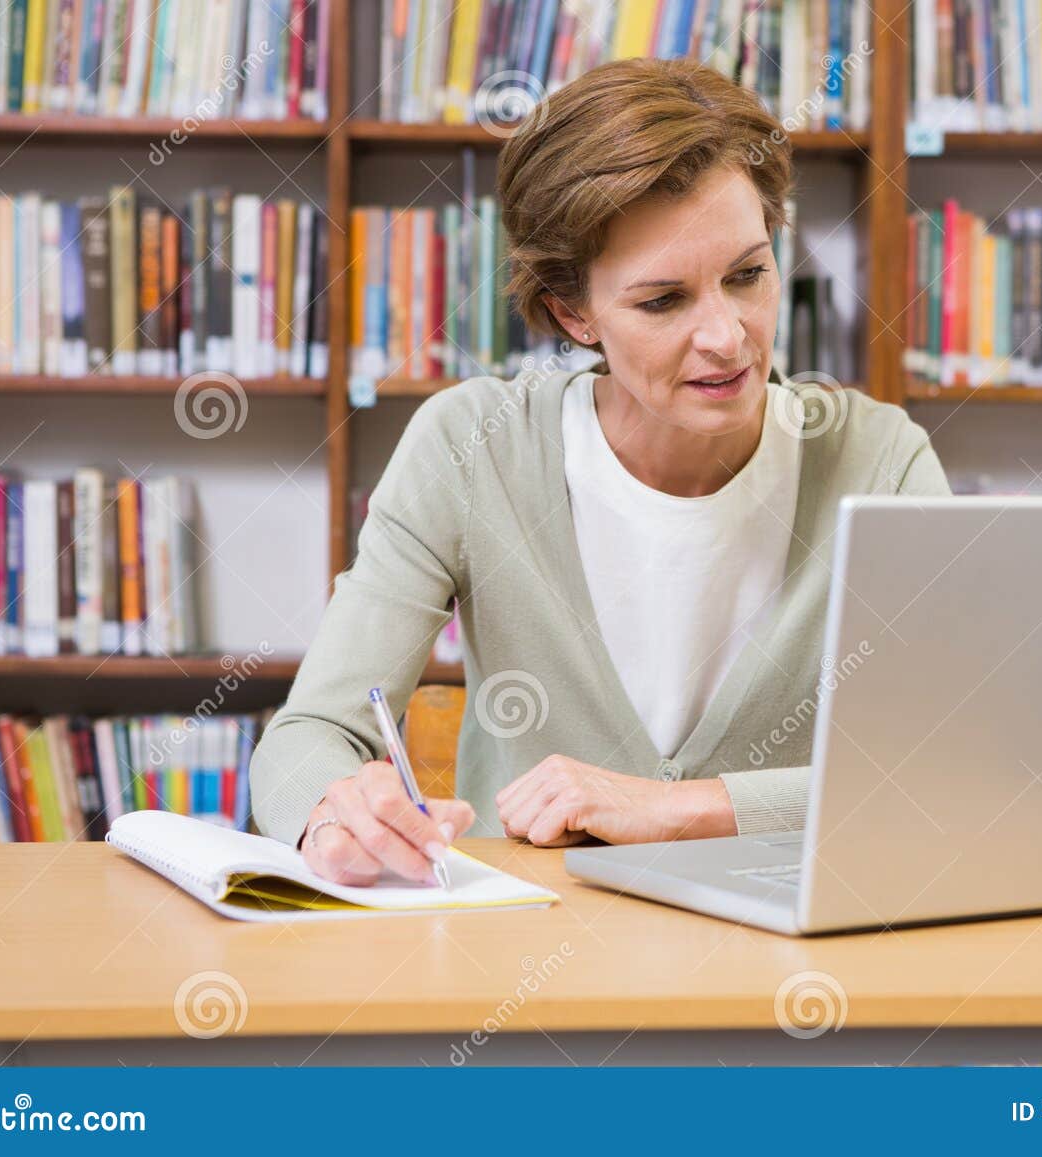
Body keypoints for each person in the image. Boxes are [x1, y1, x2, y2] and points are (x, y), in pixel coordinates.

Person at [247, 57, 952, 886]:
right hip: (530, 958)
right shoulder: (473, 448)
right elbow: (304, 739)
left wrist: (682, 809)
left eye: (748, 275)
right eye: (664, 301)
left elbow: (947, 766)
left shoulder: (878, 459)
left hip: (788, 960)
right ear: (572, 312)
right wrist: (336, 811)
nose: (728, 337)